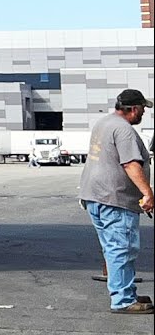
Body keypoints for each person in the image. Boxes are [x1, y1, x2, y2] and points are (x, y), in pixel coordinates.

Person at [78, 88, 155, 314]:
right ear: (133, 109)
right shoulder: (124, 130)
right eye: (142, 108)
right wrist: (147, 193)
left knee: (113, 249)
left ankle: (125, 291)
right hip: (114, 198)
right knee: (122, 249)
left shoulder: (105, 123)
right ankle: (123, 300)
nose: (143, 113)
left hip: (95, 195)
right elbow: (130, 164)